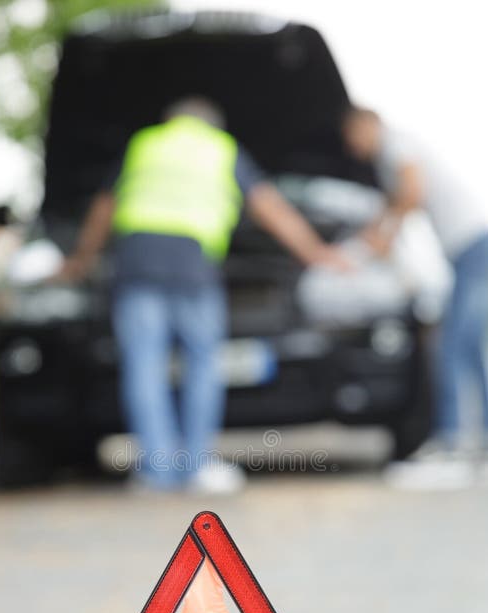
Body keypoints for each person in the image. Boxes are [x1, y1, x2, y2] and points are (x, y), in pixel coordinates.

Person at [60, 97, 349, 493]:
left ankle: (156, 472)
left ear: (170, 122)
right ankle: (196, 468)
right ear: (212, 125)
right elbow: (271, 207)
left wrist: (79, 260)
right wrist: (316, 252)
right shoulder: (220, 148)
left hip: (138, 267)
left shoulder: (146, 144)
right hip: (192, 268)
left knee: (144, 367)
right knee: (202, 365)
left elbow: (103, 208)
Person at [341, 106, 488, 485]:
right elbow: (397, 207)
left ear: (367, 125)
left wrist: (383, 233)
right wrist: (381, 238)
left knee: (450, 347)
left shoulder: (396, 144)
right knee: (473, 350)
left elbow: (411, 193)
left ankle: (451, 446)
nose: (352, 147)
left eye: (352, 137)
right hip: (468, 251)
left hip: (472, 249)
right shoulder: (390, 158)